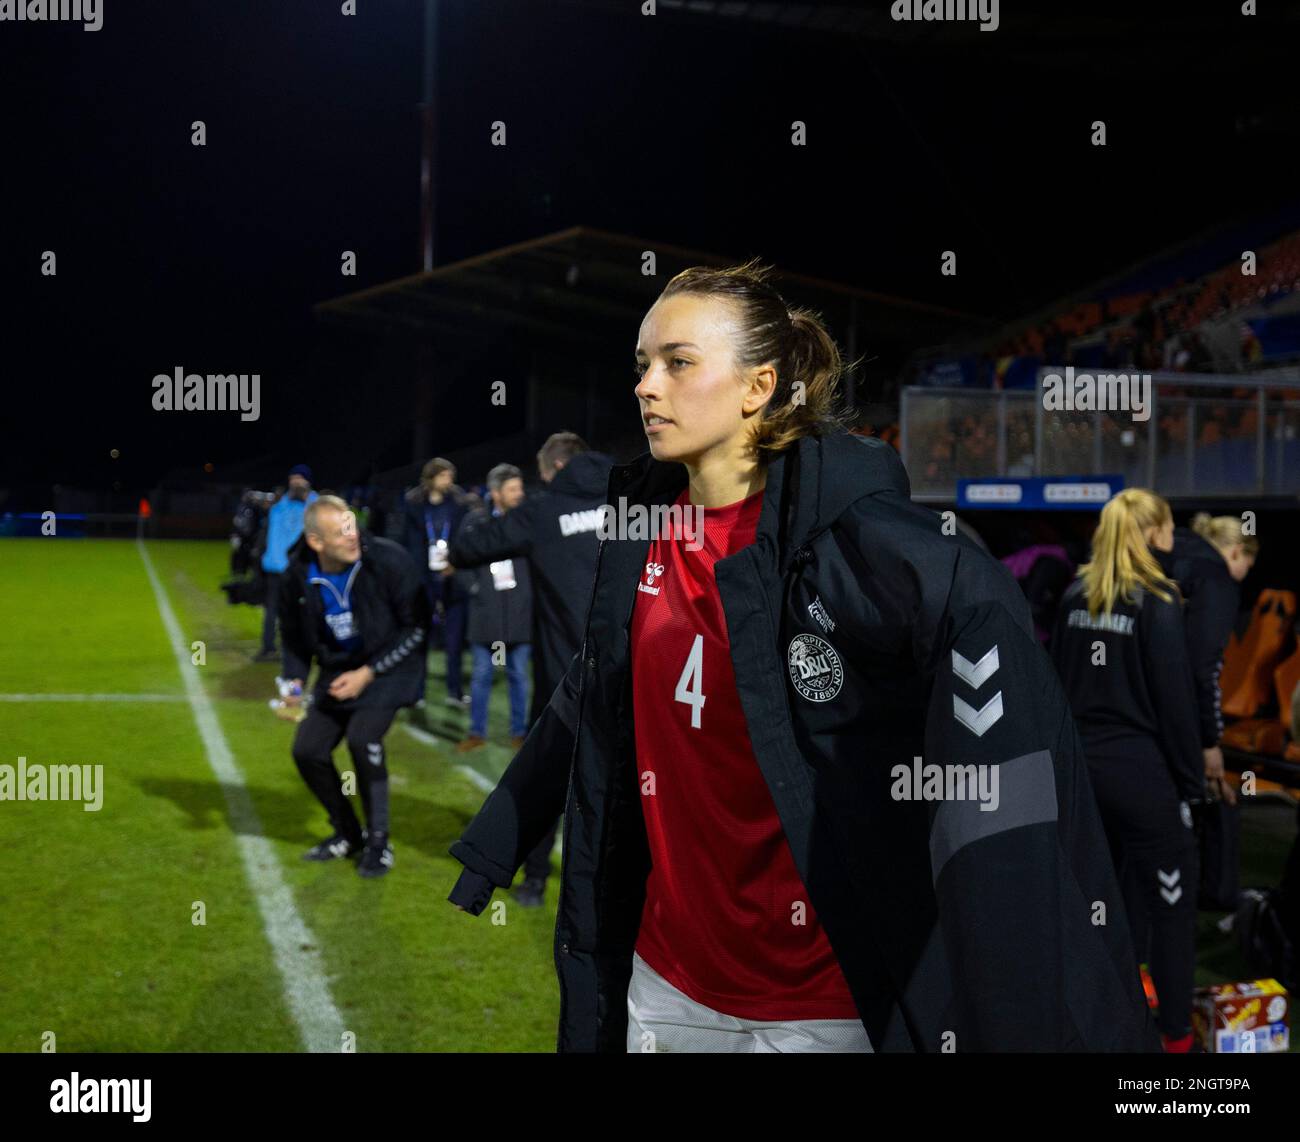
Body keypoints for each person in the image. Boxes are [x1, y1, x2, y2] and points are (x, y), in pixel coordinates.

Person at [447, 258, 1157, 1053]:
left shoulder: (856, 540)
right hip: (660, 982)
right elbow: (596, 691)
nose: (647, 387)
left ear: (758, 387)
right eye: (642, 365)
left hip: (817, 1008)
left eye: (678, 363)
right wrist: (498, 839)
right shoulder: (641, 524)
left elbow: (980, 623)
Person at [1050, 489, 1206, 1052]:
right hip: (1143, 778)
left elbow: (1058, 694)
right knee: (1172, 908)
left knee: (1104, 901)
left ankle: (1106, 1021)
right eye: (1167, 529)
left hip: (1084, 778)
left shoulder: (1073, 597)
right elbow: (1177, 708)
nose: (1172, 540)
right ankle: (1175, 1041)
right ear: (1151, 532)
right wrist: (1194, 788)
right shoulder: (1158, 600)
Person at [447, 432, 614, 908]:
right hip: (633, 677)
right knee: (621, 788)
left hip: (565, 676)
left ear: (551, 470)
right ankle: (606, 891)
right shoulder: (633, 501)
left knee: (545, 779)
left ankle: (534, 879)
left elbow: (469, 549)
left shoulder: (542, 511)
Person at [278, 495, 430, 878]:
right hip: (337, 671)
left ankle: (379, 844)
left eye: (353, 525)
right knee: (307, 749)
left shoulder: (389, 560)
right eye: (340, 531)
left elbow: (419, 626)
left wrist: (369, 672)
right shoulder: (296, 575)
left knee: (364, 741)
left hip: (387, 670)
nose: (353, 536)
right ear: (316, 542)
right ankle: (348, 833)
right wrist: (294, 684)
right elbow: (295, 639)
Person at [1155, 513, 1259, 804]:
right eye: (1247, 567)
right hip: (1170, 724)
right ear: (1237, 550)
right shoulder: (1217, 581)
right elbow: (1204, 669)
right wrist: (1209, 741)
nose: (1244, 576)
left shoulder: (1165, 557)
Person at [451, 464, 534, 756]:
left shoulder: (527, 519)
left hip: (519, 612)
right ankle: (476, 732)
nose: (519, 494)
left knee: (519, 675)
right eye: (513, 489)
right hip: (485, 613)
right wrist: (474, 589)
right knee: (481, 675)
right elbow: (457, 560)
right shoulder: (475, 522)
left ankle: (520, 733)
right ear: (496, 492)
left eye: (520, 488)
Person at [401, 458, 479, 708]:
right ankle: (417, 691)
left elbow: (465, 537)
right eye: (445, 476)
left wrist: (456, 563)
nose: (450, 481)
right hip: (423, 578)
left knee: (454, 638)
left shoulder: (459, 503)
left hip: (452, 576)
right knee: (420, 636)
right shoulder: (413, 505)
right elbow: (407, 541)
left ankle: (454, 691)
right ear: (432, 477)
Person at [256, 465, 318, 662]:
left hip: (301, 568)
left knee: (303, 610)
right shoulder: (281, 505)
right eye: (293, 478)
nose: (296, 482)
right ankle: (268, 648)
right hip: (276, 566)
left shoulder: (315, 505)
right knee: (272, 610)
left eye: (300, 478)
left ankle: (306, 648)